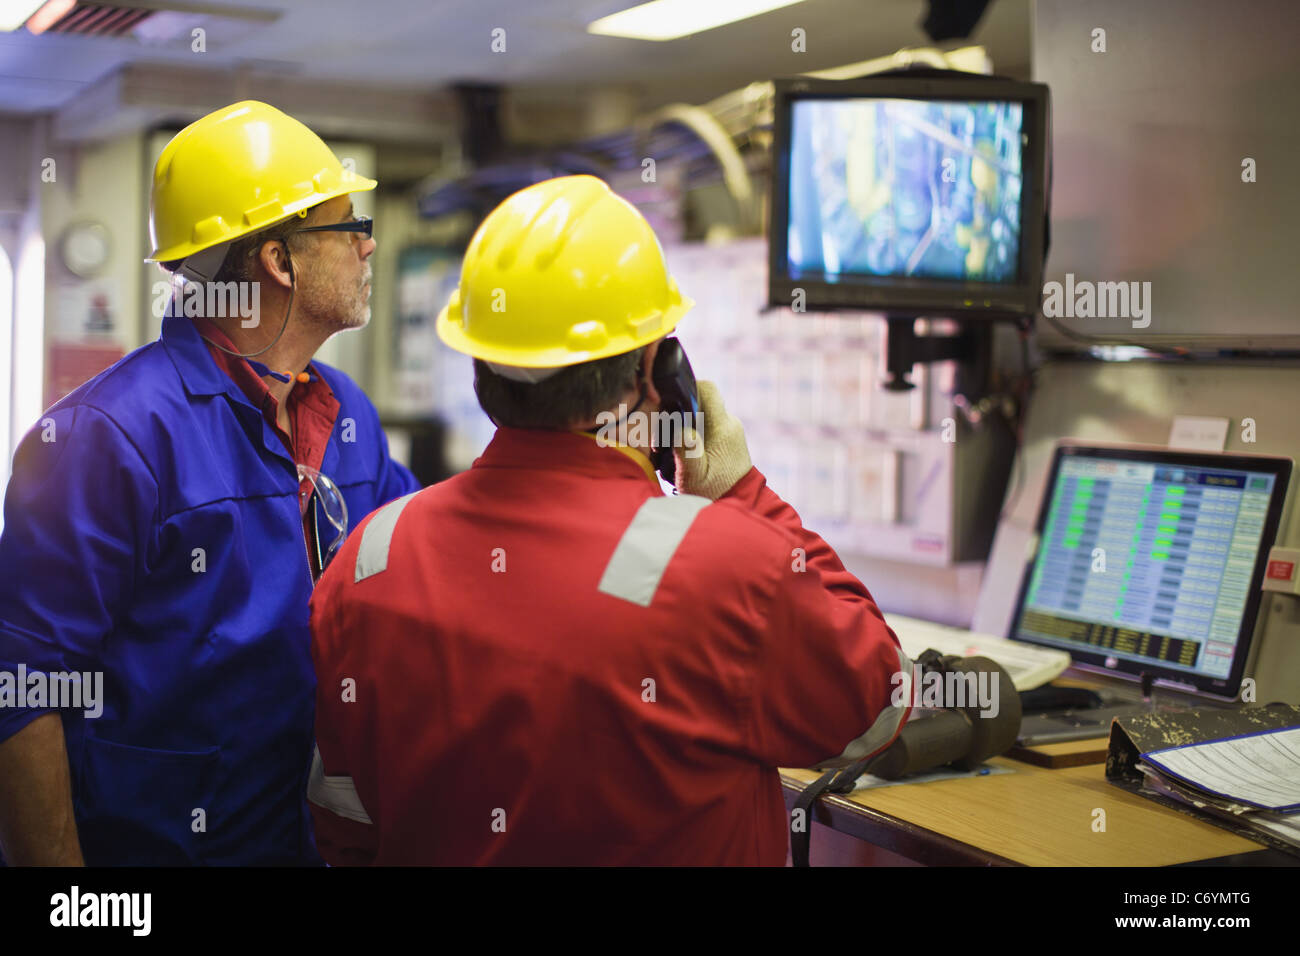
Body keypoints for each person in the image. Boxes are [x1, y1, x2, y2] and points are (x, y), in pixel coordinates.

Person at [307, 174, 909, 865]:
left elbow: (343, 822)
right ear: (657, 369)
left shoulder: (367, 558)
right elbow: (879, 705)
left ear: (481, 366)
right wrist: (743, 490)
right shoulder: (730, 565)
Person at [0, 100, 420, 865]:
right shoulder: (107, 437)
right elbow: (23, 692)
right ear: (279, 260)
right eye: (349, 227)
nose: (368, 248)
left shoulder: (344, 412)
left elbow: (422, 553)